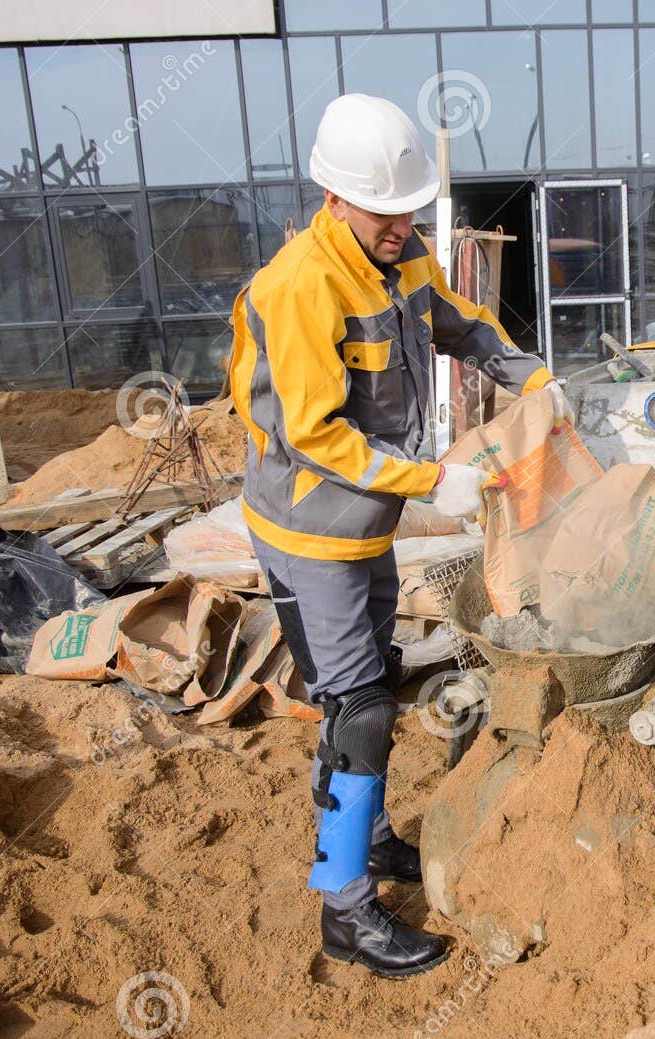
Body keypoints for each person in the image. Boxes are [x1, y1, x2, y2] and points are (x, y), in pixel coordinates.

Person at [227, 92, 565, 978]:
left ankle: (371, 836)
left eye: (410, 208)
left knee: (371, 681)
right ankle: (345, 908)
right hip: (309, 529)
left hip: (363, 522)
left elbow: (461, 322)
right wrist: (431, 483)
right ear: (333, 197)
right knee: (360, 708)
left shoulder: (402, 255)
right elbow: (315, 435)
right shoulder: (299, 287)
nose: (402, 225)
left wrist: (533, 378)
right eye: (384, 210)